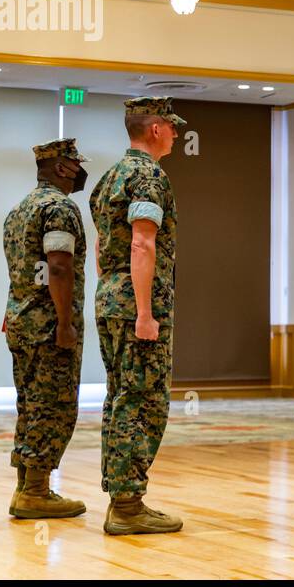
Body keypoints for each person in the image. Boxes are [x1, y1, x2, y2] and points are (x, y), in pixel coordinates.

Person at [89, 96, 185, 534]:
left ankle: (122, 497)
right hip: (136, 306)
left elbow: (99, 246)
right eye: (173, 127)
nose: (178, 134)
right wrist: (144, 312)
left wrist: (112, 295)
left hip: (110, 299)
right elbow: (141, 244)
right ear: (155, 130)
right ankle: (128, 506)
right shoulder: (149, 177)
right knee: (144, 400)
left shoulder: (109, 178)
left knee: (119, 397)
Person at [1, 137, 89, 519]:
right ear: (63, 168)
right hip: (50, 325)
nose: (82, 171)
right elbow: (58, 267)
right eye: (77, 164)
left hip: (22, 320)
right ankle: (36, 490)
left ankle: (25, 486)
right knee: (53, 405)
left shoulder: (19, 210)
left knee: (30, 403)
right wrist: (66, 322)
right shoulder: (59, 208)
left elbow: (20, 271)